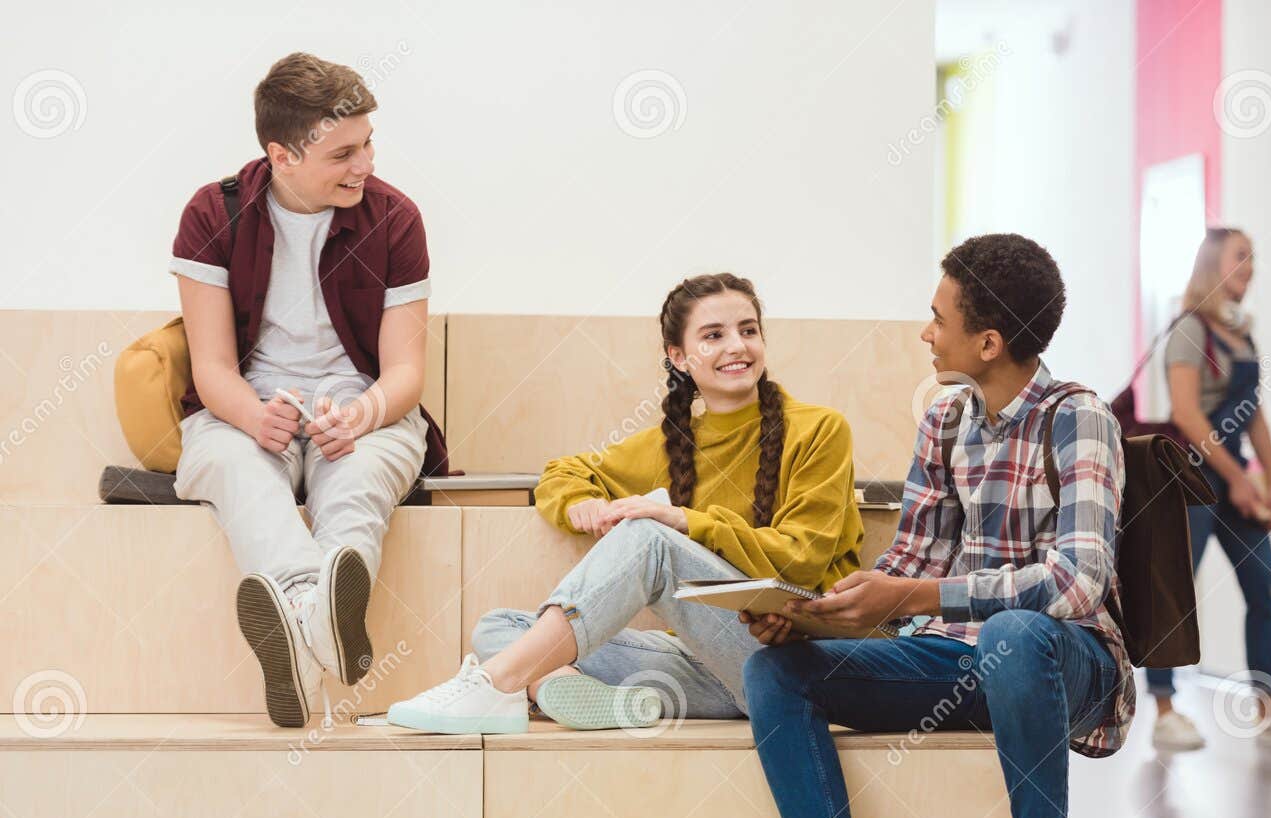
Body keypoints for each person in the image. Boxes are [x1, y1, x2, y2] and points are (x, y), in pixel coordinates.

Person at [725, 234, 1129, 818]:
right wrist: (814, 616)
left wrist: (915, 599)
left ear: (989, 342)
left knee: (1015, 635)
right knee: (776, 671)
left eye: (938, 318)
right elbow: (910, 566)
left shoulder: (1079, 419)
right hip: (954, 660)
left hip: (1064, 661)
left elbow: (1077, 583)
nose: (925, 333)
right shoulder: (947, 419)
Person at [385, 274, 863, 733]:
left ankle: (494, 687)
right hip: (708, 669)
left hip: (796, 663)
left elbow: (801, 559)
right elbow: (563, 472)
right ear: (679, 357)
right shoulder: (670, 445)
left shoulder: (821, 429)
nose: (737, 346)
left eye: (748, 330)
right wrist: (582, 503)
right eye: (714, 335)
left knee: (648, 537)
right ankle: (564, 688)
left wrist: (682, 520)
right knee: (500, 628)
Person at [170, 52, 446, 728]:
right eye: (344, 153)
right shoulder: (212, 213)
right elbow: (212, 367)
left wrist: (360, 415)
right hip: (242, 405)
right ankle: (315, 615)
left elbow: (404, 372)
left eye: (369, 143)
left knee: (359, 479)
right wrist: (252, 416)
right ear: (282, 155)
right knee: (236, 468)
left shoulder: (395, 218)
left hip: (362, 407)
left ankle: (297, 635)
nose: (366, 164)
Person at [1145, 229, 1271, 752]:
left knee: (1266, 589)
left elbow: (1255, 415)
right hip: (1193, 480)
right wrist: (1239, 479)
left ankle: (1268, 713)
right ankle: (1164, 711)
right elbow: (1187, 414)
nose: (1250, 266)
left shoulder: (1242, 336)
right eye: (1240, 256)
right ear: (1212, 265)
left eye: (1253, 257)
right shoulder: (1189, 330)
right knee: (1176, 594)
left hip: (1234, 481)